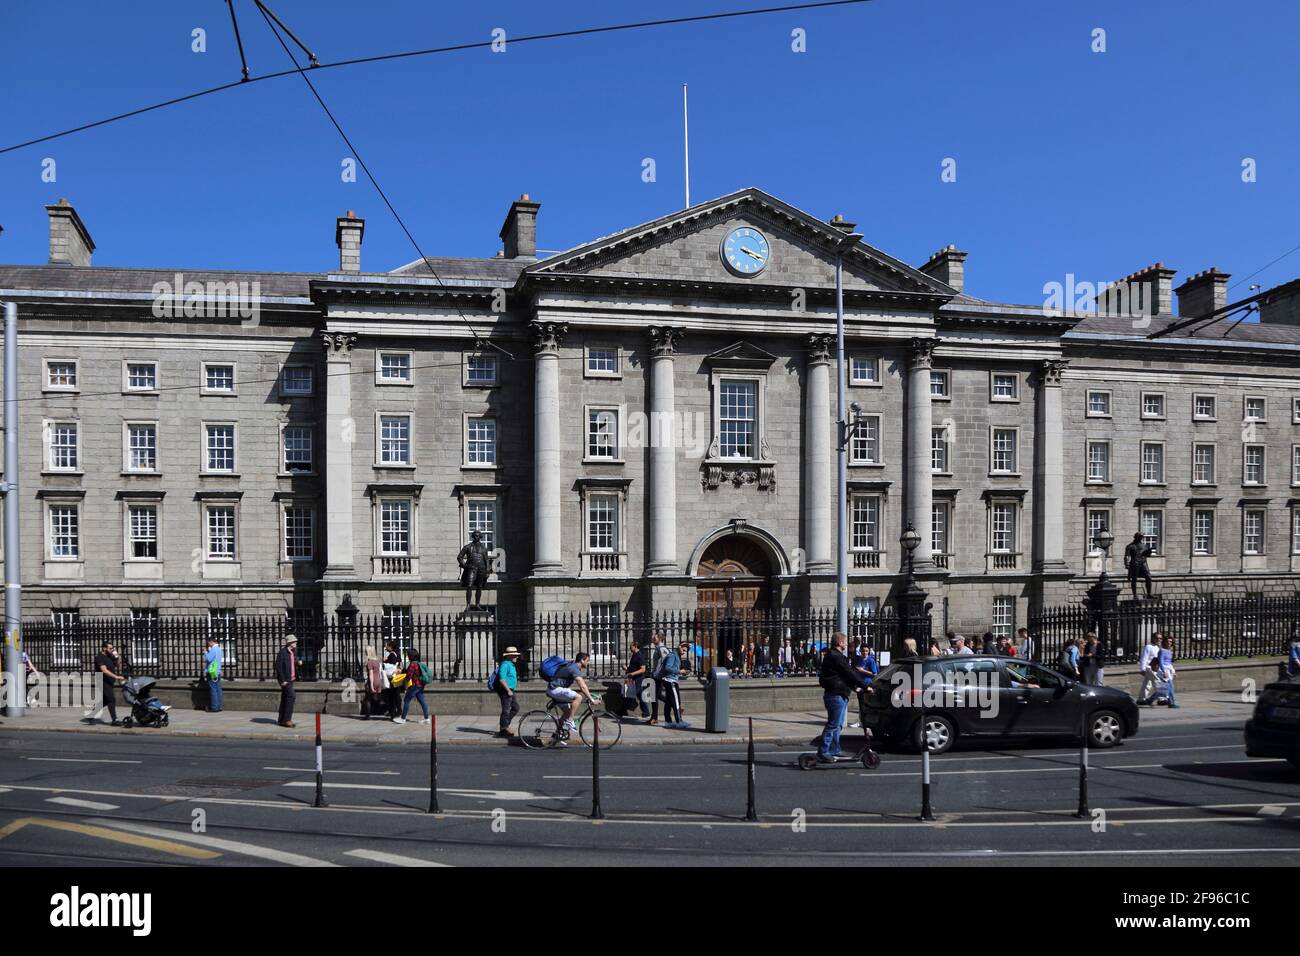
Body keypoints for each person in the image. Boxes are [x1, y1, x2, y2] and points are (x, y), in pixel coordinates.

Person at [817, 632, 865, 763]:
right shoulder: (835, 656)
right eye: (844, 642)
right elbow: (850, 673)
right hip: (835, 695)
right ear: (839, 643)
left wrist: (856, 688)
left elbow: (842, 676)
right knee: (833, 724)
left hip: (840, 694)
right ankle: (823, 751)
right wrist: (865, 686)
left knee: (838, 725)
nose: (846, 644)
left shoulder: (835, 656)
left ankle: (834, 749)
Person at [393, 648, 431, 724]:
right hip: (420, 685)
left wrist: (402, 676)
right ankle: (426, 718)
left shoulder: (412, 664)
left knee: (406, 700)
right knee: (422, 701)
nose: (407, 656)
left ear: (411, 656)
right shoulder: (418, 663)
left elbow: (408, 677)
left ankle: (403, 718)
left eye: (408, 655)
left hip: (414, 685)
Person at [91, 641, 124, 725]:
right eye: (110, 648)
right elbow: (104, 670)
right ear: (104, 648)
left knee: (105, 701)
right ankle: (114, 720)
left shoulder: (110, 656)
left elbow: (118, 665)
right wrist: (116, 677)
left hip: (109, 681)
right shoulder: (99, 657)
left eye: (112, 648)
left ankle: (91, 715)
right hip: (102, 681)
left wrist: (117, 656)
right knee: (111, 699)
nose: (111, 650)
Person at [655, 642, 687, 728]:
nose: (684, 652)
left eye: (685, 651)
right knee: (676, 702)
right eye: (683, 650)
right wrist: (679, 671)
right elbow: (667, 667)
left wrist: (680, 672)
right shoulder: (672, 655)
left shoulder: (676, 655)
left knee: (669, 702)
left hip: (670, 680)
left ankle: (668, 721)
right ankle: (679, 721)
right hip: (670, 681)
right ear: (679, 646)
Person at [493, 646, 521, 737]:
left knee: (515, 707)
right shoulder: (505, 664)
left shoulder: (511, 665)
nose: (517, 657)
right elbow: (501, 678)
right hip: (505, 690)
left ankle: (504, 725)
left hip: (510, 690)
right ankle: (504, 728)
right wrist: (508, 690)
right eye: (514, 655)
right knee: (506, 710)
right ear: (509, 656)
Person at [274, 634, 298, 728]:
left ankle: (281, 720)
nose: (296, 643)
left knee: (285, 698)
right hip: (286, 680)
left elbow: (292, 662)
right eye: (294, 641)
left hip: (291, 679)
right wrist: (282, 680)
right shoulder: (282, 653)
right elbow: (278, 667)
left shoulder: (292, 651)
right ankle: (287, 720)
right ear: (290, 643)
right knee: (291, 696)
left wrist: (297, 662)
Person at [624, 640, 650, 721]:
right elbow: (634, 668)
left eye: (631, 646)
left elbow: (643, 669)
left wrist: (632, 674)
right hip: (635, 678)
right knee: (638, 695)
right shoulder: (634, 655)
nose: (629, 647)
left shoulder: (639, 656)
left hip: (639, 679)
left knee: (635, 695)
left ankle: (646, 713)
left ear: (635, 646)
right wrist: (627, 669)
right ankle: (645, 713)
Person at [1124, 532, 1154, 599]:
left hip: (1143, 563)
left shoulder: (1144, 546)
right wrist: (1127, 564)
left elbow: (1147, 555)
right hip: (1135, 563)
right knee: (1134, 579)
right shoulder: (1130, 546)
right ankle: (1135, 595)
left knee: (1148, 577)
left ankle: (1149, 594)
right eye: (1140, 537)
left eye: (1142, 537)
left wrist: (1149, 552)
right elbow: (1126, 556)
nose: (1141, 538)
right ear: (1136, 537)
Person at [1137, 632, 1162, 705]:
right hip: (1148, 668)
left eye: (1160, 638)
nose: (1159, 640)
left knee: (1147, 683)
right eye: (1157, 638)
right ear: (1153, 638)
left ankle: (1141, 699)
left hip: (1155, 668)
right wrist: (1142, 669)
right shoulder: (1148, 647)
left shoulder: (1158, 647)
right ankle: (1161, 698)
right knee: (1157, 681)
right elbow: (1144, 658)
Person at [202, 635, 224, 713]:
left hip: (212, 672)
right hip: (217, 671)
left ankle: (214, 707)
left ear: (211, 642)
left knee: (213, 690)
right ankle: (219, 706)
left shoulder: (214, 649)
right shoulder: (219, 649)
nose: (208, 644)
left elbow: (208, 659)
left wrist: (205, 652)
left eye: (208, 643)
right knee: (218, 689)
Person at [381, 641, 401, 717]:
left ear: (390, 647)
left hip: (391, 677)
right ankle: (398, 710)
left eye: (387, 646)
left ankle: (393, 712)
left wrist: (385, 661)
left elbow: (390, 666)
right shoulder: (397, 653)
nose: (386, 647)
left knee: (391, 695)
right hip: (397, 676)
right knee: (396, 694)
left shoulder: (392, 654)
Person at [1158, 635, 1179, 708]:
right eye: (1167, 641)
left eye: (1170, 641)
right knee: (1170, 687)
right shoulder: (1162, 650)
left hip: (1168, 671)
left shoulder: (1169, 651)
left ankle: (1149, 700)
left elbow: (1169, 663)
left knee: (1163, 689)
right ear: (1164, 642)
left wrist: (1173, 671)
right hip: (1163, 670)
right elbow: (1160, 662)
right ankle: (1171, 703)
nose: (1169, 643)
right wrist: (1164, 672)